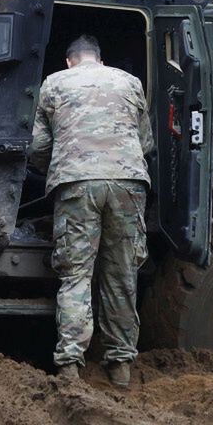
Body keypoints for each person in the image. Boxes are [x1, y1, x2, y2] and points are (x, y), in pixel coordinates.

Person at [28, 34, 154, 387]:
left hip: (77, 184)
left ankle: (70, 363)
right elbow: (145, 142)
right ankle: (120, 366)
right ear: (99, 59)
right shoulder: (130, 82)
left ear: (70, 60)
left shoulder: (54, 83)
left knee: (76, 275)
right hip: (128, 183)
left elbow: (38, 146)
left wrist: (54, 166)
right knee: (121, 275)